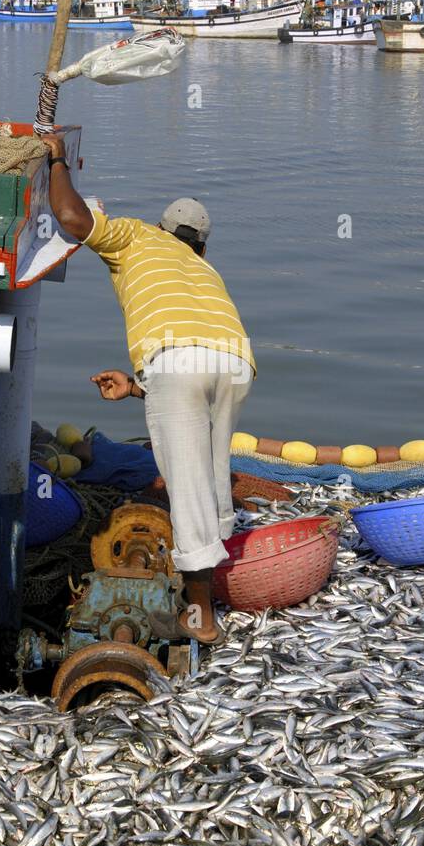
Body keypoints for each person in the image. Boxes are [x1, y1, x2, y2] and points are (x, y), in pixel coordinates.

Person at [42, 132, 255, 643]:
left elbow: (71, 217)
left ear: (163, 229)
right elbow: (196, 355)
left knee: (187, 489)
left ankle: (201, 618)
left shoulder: (138, 235)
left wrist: (55, 160)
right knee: (210, 472)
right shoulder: (205, 269)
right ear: (202, 245)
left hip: (178, 362)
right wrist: (142, 388)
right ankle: (215, 578)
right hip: (236, 360)